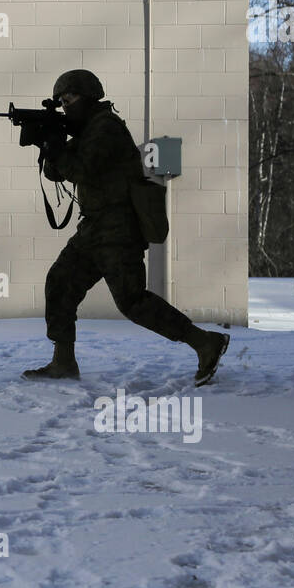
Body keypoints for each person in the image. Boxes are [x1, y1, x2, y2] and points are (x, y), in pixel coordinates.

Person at [23, 69, 229, 386]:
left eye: (69, 99)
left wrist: (58, 147)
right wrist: (50, 143)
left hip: (118, 229)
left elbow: (82, 170)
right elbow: (56, 173)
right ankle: (63, 361)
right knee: (61, 282)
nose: (65, 106)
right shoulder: (86, 129)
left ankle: (204, 342)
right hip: (95, 228)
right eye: (61, 102)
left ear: (89, 95)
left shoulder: (105, 128)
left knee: (132, 301)